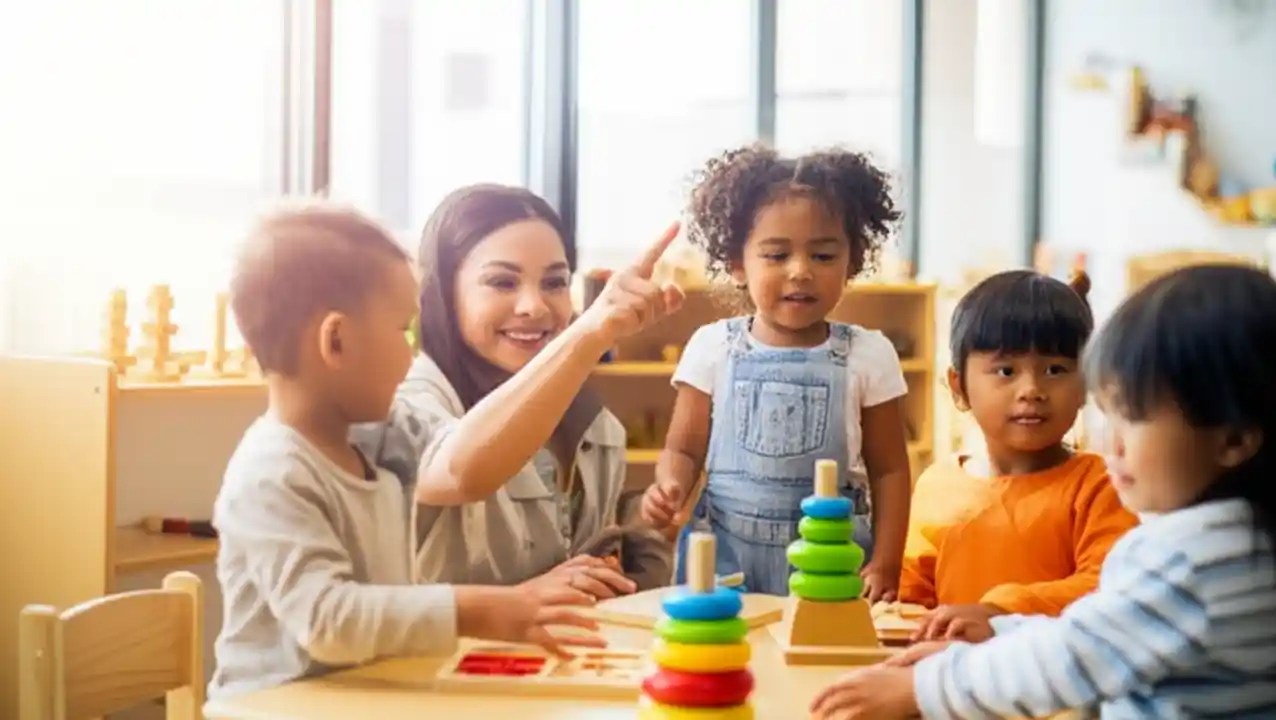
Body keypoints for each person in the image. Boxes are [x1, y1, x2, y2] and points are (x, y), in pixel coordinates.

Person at [810, 264, 1276, 719]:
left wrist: (924, 687)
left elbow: (1077, 655)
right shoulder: (1237, 548)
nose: (1111, 440)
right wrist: (996, 631)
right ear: (959, 385)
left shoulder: (1193, 562)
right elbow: (1100, 629)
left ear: (1234, 439)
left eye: (1133, 416)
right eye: (1109, 413)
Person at [210, 204, 601, 699]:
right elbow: (327, 620)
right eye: (403, 331)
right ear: (336, 341)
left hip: (367, 693)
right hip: (273, 707)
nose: (413, 353)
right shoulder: (273, 472)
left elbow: (467, 457)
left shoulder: (385, 433)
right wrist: (478, 609)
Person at [354, 184, 681, 600]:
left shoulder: (599, 430)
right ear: (443, 294)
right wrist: (590, 334)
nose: (535, 306)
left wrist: (643, 533)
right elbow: (459, 471)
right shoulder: (402, 406)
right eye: (502, 282)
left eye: (555, 283)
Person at [640, 144, 912, 600]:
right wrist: (669, 486)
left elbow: (890, 472)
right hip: (723, 561)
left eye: (824, 256)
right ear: (735, 262)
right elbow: (683, 450)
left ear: (854, 260)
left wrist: (886, 562)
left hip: (833, 563)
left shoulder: (870, 354)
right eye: (776, 255)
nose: (801, 272)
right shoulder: (712, 347)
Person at [898, 270, 1137, 641]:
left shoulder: (1102, 484)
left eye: (1055, 370)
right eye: (1006, 370)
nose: (1032, 389)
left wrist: (1000, 611)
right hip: (950, 681)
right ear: (960, 387)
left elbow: (1108, 588)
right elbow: (912, 600)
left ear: (1086, 384)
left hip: (1057, 687)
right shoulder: (936, 486)